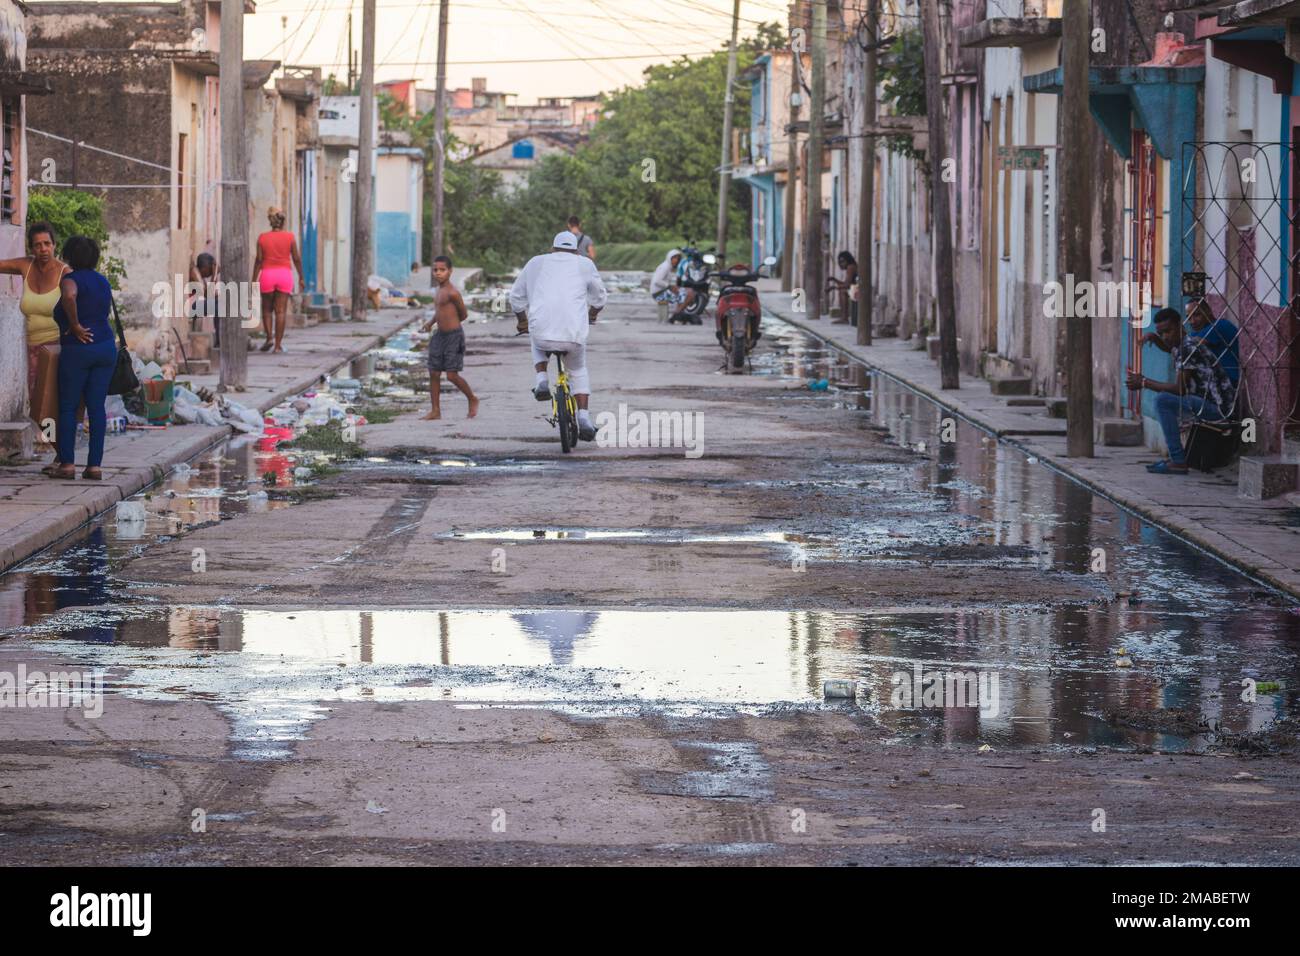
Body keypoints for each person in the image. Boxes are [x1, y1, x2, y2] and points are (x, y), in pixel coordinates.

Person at [510, 231, 607, 441]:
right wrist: (592, 315)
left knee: (535, 337)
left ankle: (542, 379)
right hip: (573, 335)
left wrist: (521, 321)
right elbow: (599, 298)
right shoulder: (584, 263)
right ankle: (583, 418)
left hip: (542, 333)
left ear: (552, 249)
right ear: (575, 250)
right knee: (578, 370)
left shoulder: (536, 262)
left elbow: (516, 297)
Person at [1127, 307, 1234, 475]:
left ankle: (1177, 461)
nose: (1165, 337)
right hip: (1205, 403)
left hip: (1219, 409)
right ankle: (1176, 458)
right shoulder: (1182, 344)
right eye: (1161, 333)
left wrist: (1144, 382)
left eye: (1168, 331)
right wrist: (1155, 339)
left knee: (1163, 401)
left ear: (1180, 326)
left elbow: (1180, 389)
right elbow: (1169, 348)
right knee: (1165, 399)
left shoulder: (1188, 349)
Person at [0, 222, 71, 472]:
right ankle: (61, 454)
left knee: (56, 404)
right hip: (33, 350)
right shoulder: (25, 266)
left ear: (54, 245)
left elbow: (78, 305)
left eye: (47, 244)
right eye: (38, 244)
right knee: (39, 409)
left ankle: (64, 457)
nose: (43, 249)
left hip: (58, 348)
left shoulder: (65, 272)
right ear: (31, 247)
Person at [49, 236, 117, 482]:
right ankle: (94, 467)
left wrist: (75, 325)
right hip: (106, 348)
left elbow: (69, 296)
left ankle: (67, 464)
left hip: (78, 350)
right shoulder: (102, 281)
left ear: (69, 255)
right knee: (96, 407)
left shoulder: (71, 279)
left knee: (68, 406)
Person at [419, 255, 479, 420]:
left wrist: (451, 324)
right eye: (435, 270)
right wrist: (431, 323)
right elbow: (440, 312)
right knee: (434, 372)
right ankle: (435, 410)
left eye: (442, 270)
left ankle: (472, 398)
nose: (438, 273)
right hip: (439, 336)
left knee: (451, 375)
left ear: (450, 271)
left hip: (453, 336)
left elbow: (463, 314)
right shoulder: (438, 291)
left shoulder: (453, 292)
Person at [1142, 298, 1240, 388]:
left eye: (1197, 315)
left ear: (1208, 311)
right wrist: (1156, 338)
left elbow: (1186, 347)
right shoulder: (1198, 332)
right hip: (1215, 381)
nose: (1192, 321)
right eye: (1189, 317)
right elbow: (1175, 348)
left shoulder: (1218, 326)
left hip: (1227, 381)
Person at [252, 206, 304, 353]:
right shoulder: (290, 237)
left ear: (270, 221)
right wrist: (301, 277)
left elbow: (259, 260)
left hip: (267, 275)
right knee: (280, 311)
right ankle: (277, 346)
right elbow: (297, 259)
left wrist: (253, 280)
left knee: (267, 310)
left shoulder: (262, 237)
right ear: (282, 222)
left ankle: (269, 338)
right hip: (284, 275)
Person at [187, 251, 221, 349]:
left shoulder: (202, 278)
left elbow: (210, 296)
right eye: (210, 270)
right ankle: (219, 341)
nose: (210, 273)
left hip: (195, 305)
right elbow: (208, 296)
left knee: (221, 305)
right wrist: (214, 276)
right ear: (205, 267)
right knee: (217, 307)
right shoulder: (194, 272)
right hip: (189, 307)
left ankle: (221, 339)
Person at [827, 251, 859, 326]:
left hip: (859, 291)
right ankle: (843, 318)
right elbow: (846, 284)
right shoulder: (850, 267)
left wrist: (833, 287)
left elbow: (846, 285)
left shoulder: (850, 267)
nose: (841, 264)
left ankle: (844, 318)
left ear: (848, 260)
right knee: (842, 290)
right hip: (855, 289)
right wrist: (834, 280)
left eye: (843, 262)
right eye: (840, 262)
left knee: (842, 292)